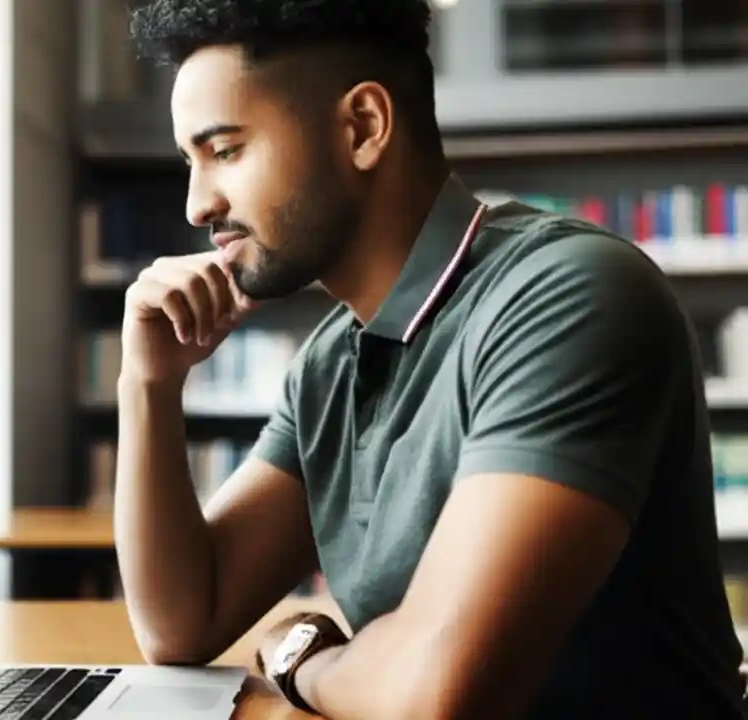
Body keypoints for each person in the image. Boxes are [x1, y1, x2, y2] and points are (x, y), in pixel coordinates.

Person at [112, 1, 745, 717]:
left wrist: (306, 661)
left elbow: (435, 695)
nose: (198, 205)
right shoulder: (332, 360)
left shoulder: (567, 297)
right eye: (189, 161)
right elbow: (183, 623)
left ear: (363, 128)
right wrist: (150, 383)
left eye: (225, 150)